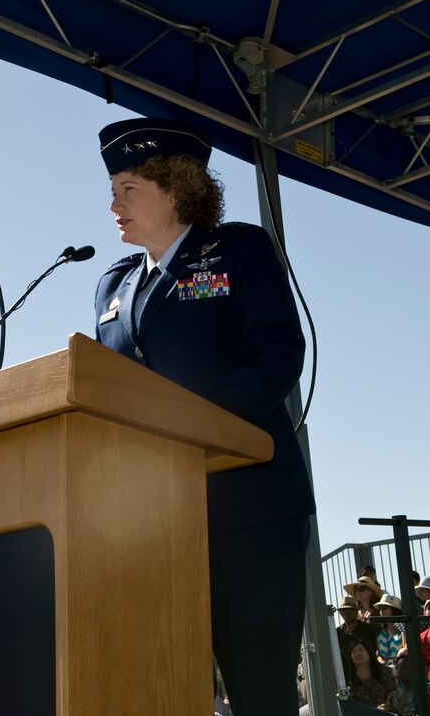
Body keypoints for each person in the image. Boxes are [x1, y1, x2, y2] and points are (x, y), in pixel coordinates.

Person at [93, 118, 313, 715]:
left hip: (250, 509)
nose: (113, 205)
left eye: (128, 189)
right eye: (112, 190)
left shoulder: (237, 250)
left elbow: (277, 355)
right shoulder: (112, 287)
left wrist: (189, 426)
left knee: (260, 692)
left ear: (177, 189)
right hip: (156, 521)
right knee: (165, 686)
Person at [345, 640, 398, 707]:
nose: (357, 654)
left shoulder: (385, 672)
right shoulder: (350, 681)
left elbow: (393, 695)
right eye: (353, 652)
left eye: (361, 650)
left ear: (369, 652)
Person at [375, 593, 407, 666]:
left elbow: (405, 649)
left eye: (384, 608)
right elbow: (379, 655)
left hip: (401, 668)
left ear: (393, 610)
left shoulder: (402, 629)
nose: (381, 611)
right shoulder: (379, 632)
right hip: (385, 669)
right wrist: (382, 662)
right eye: (379, 608)